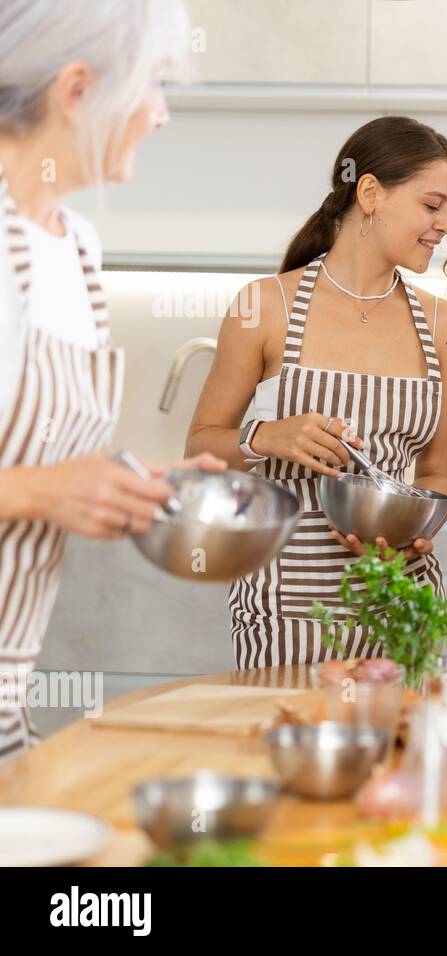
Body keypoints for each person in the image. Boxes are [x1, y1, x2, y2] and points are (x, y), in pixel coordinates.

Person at [0, 0, 224, 762]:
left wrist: (139, 486)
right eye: (152, 85)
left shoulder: (78, 250)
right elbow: (33, 481)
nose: (160, 115)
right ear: (76, 89)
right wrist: (38, 492)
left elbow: (49, 460)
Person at [185, 116, 447, 668]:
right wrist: (265, 437)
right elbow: (199, 451)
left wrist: (409, 539)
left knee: (407, 752)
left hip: (403, 602)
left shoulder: (445, 326)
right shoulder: (266, 306)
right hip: (286, 606)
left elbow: (437, 476)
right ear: (370, 193)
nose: (446, 227)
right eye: (432, 205)